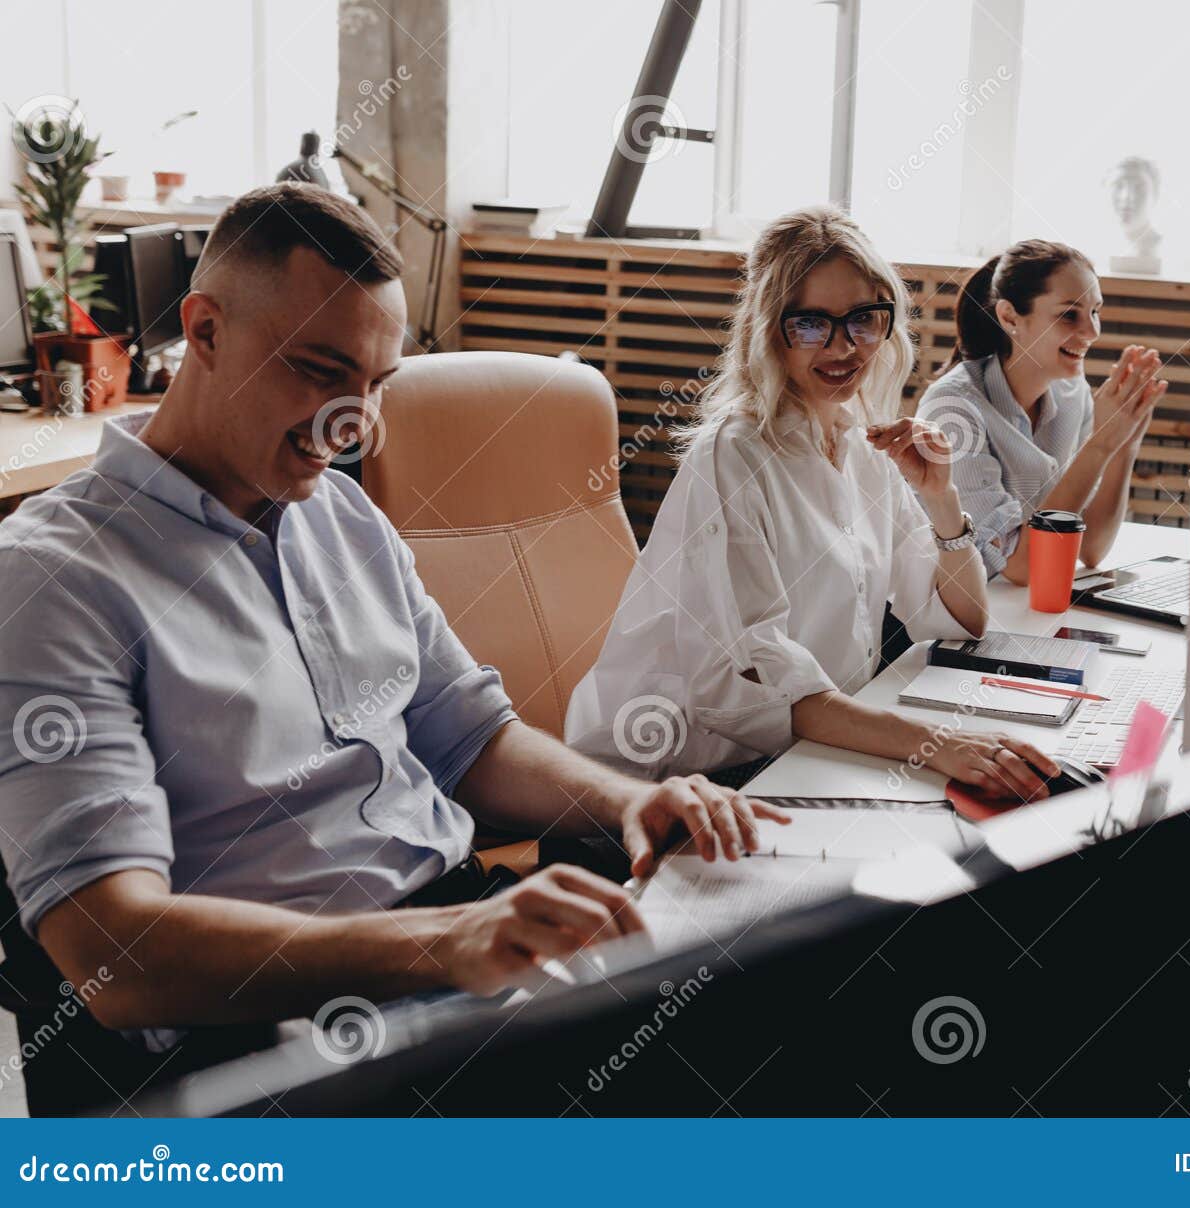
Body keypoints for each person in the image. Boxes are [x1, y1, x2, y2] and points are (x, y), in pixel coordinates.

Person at [0, 184, 776, 1113]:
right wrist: (448, 946)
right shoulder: (52, 580)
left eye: (376, 384)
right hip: (276, 1035)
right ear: (203, 332)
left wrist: (634, 802)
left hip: (451, 930)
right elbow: (111, 956)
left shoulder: (340, 511)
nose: (354, 423)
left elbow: (470, 737)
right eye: (320, 369)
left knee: (775, 1000)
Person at [566, 206, 1059, 800]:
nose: (843, 346)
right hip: (679, 776)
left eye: (863, 320)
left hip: (804, 747)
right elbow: (757, 693)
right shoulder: (734, 455)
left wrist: (941, 499)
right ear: (770, 330)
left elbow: (960, 618)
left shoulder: (863, 441)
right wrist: (935, 741)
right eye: (810, 324)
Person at [915, 239, 1168, 577]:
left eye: (1095, 311)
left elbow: (1091, 547)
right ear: (1009, 317)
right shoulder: (951, 409)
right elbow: (1019, 565)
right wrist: (1101, 443)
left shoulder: (1072, 394)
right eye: (1069, 315)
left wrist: (1125, 440)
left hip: (1017, 609)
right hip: (944, 618)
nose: (1092, 331)